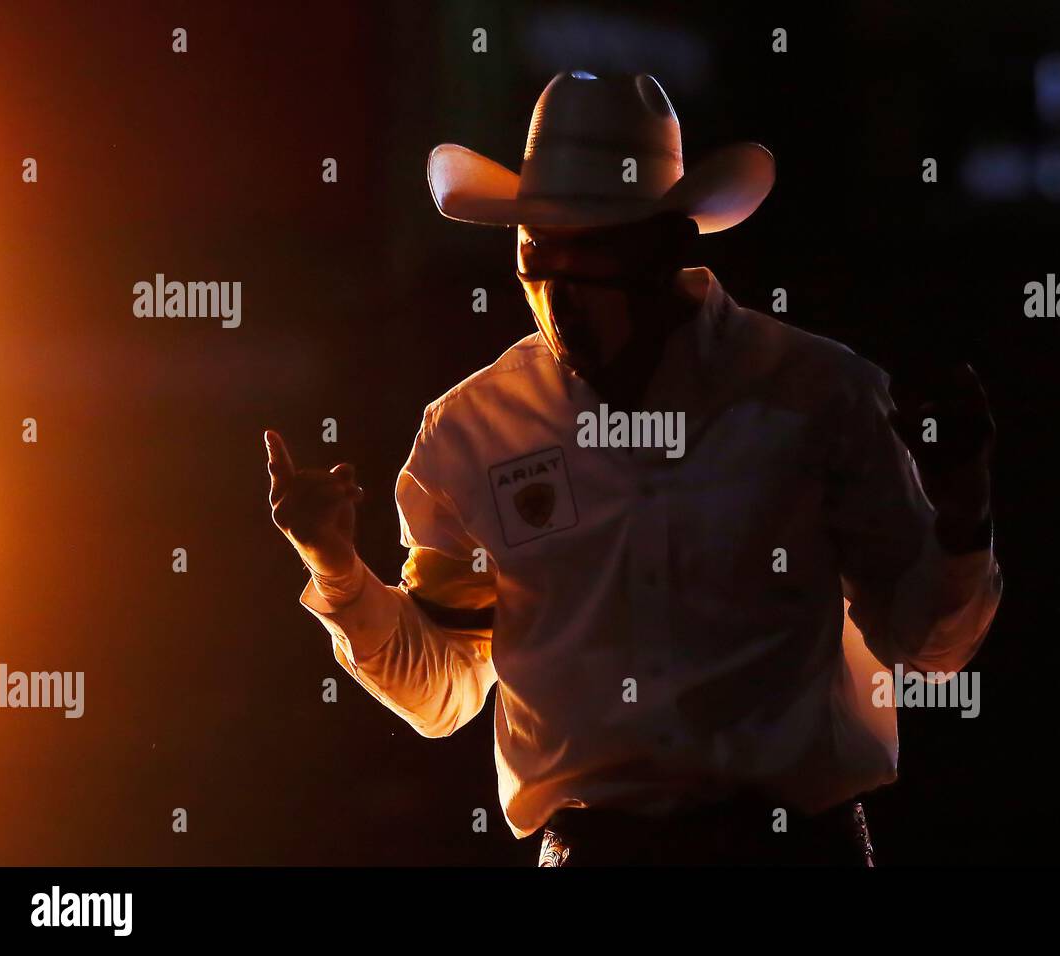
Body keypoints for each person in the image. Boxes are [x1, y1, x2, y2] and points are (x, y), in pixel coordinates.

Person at [264, 71, 1002, 866]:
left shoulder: (821, 398)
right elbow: (443, 692)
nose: (558, 299)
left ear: (666, 248)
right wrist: (335, 569)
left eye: (589, 256)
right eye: (535, 258)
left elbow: (928, 649)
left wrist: (962, 519)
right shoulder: (471, 434)